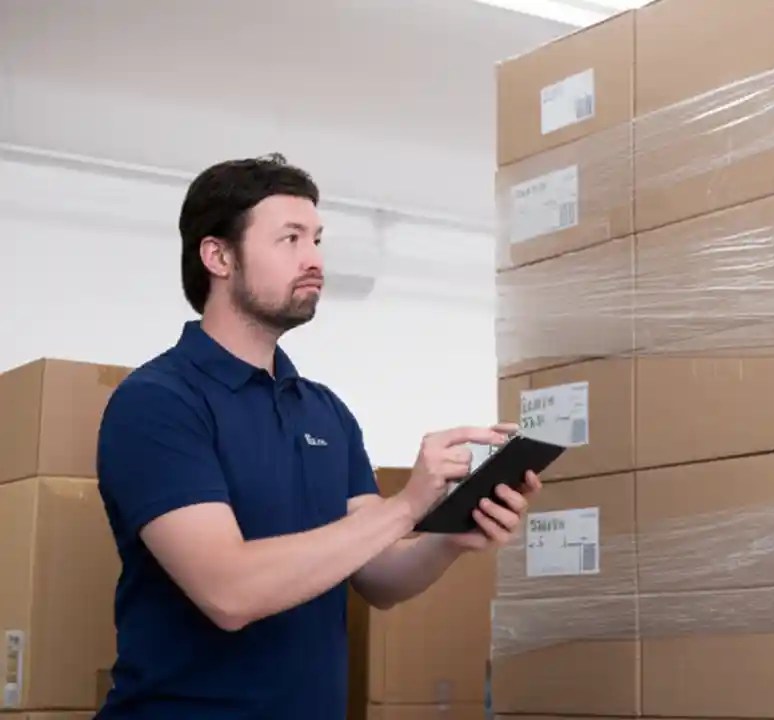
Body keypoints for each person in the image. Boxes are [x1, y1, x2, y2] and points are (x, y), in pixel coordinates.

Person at [93, 154, 540, 719]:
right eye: (290, 239)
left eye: (318, 239)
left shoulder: (325, 412)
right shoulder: (158, 403)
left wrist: (449, 534)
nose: (314, 260)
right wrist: (406, 506)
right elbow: (229, 592)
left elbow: (378, 576)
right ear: (218, 256)